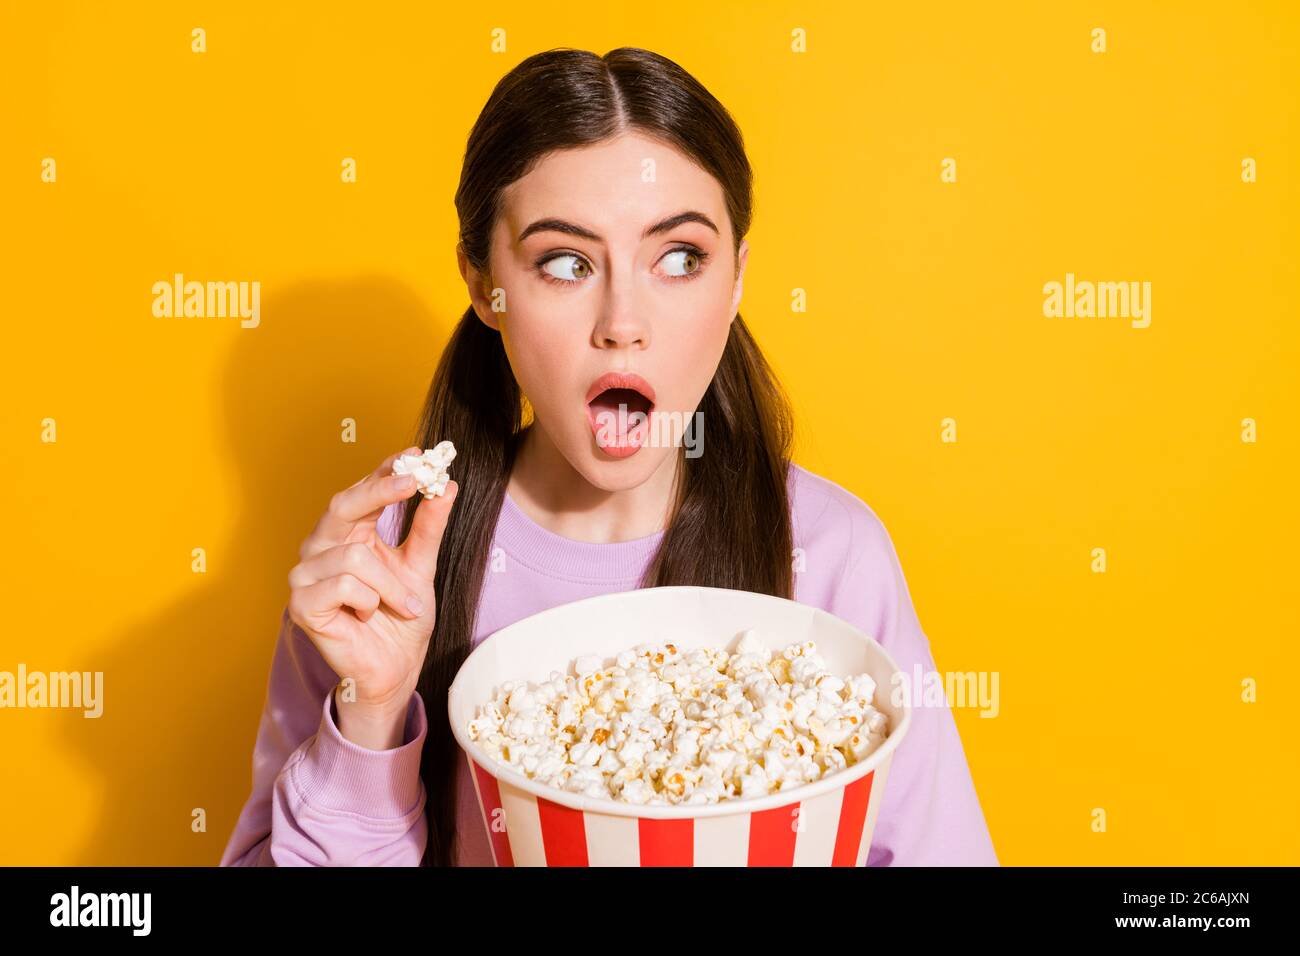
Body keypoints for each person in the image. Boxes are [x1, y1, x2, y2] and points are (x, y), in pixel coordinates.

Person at [220, 46, 997, 867]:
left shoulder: (833, 555)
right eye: (565, 262)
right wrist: (371, 719)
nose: (623, 321)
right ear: (487, 287)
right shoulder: (381, 573)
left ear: (736, 278)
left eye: (679, 258)